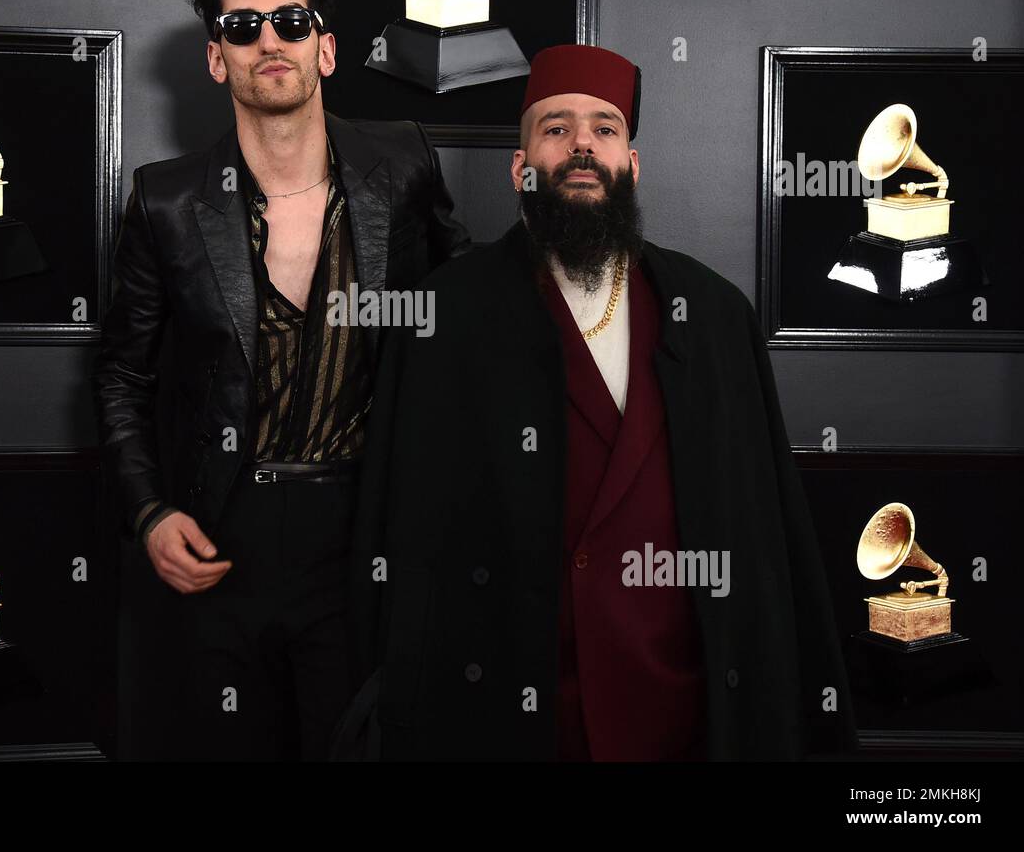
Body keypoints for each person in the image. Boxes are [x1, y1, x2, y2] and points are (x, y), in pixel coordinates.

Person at [335, 43, 857, 760]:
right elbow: (398, 525)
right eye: (555, 129)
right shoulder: (441, 313)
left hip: (680, 704)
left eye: (605, 129)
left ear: (631, 167)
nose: (582, 144)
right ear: (520, 171)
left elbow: (768, 534)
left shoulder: (711, 314)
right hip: (511, 707)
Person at [91, 0, 470, 760]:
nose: (270, 41)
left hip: (362, 525)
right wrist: (149, 513)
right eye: (242, 27)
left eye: (291, 24)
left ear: (325, 51)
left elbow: (471, 306)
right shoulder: (165, 200)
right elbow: (121, 375)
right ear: (216, 59)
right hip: (223, 532)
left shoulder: (403, 163)